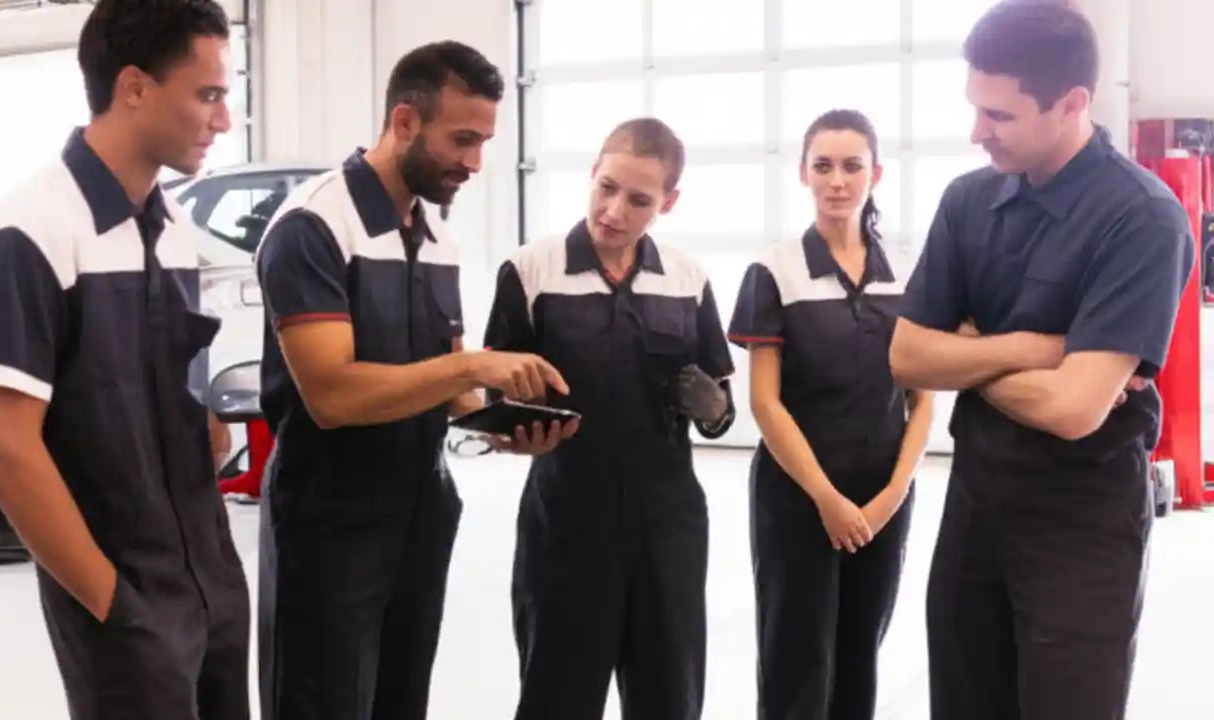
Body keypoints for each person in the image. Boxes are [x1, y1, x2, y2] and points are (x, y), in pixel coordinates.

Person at [889, 3, 1195, 718]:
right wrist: (1032, 350)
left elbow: (1073, 409)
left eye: (998, 115)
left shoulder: (1143, 218)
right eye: (975, 107)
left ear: (1072, 104)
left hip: (1080, 523)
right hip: (974, 508)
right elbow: (905, 356)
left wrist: (968, 354)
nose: (977, 132)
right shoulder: (967, 201)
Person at [254, 41, 571, 720]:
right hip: (328, 521)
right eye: (462, 140)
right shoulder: (313, 227)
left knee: (400, 702)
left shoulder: (434, 239)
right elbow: (331, 396)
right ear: (404, 121)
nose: (475, 163)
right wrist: (471, 365)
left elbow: (448, 386)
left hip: (420, 512)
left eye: (484, 143)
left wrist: (502, 425)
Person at [0, 1, 249, 718]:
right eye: (207, 95)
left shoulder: (172, 224)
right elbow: (5, 448)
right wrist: (111, 602)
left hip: (209, 581)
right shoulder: (27, 234)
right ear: (134, 87)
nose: (224, 120)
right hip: (124, 604)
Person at [483, 117, 736, 720]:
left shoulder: (688, 279)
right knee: (557, 698)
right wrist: (511, 434)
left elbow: (721, 412)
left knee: (668, 699)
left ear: (668, 203)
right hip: (566, 526)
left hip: (668, 527)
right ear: (593, 174)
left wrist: (715, 408)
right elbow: (495, 399)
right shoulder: (530, 271)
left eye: (639, 200)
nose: (614, 211)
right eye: (606, 188)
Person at [727, 109, 933, 719]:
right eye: (823, 166)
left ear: (876, 174)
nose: (837, 180)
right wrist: (825, 497)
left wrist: (894, 492)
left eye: (851, 166)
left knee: (859, 654)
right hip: (797, 496)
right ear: (803, 174)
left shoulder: (907, 272)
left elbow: (922, 397)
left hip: (882, 498)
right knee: (797, 658)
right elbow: (764, 402)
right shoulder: (774, 271)